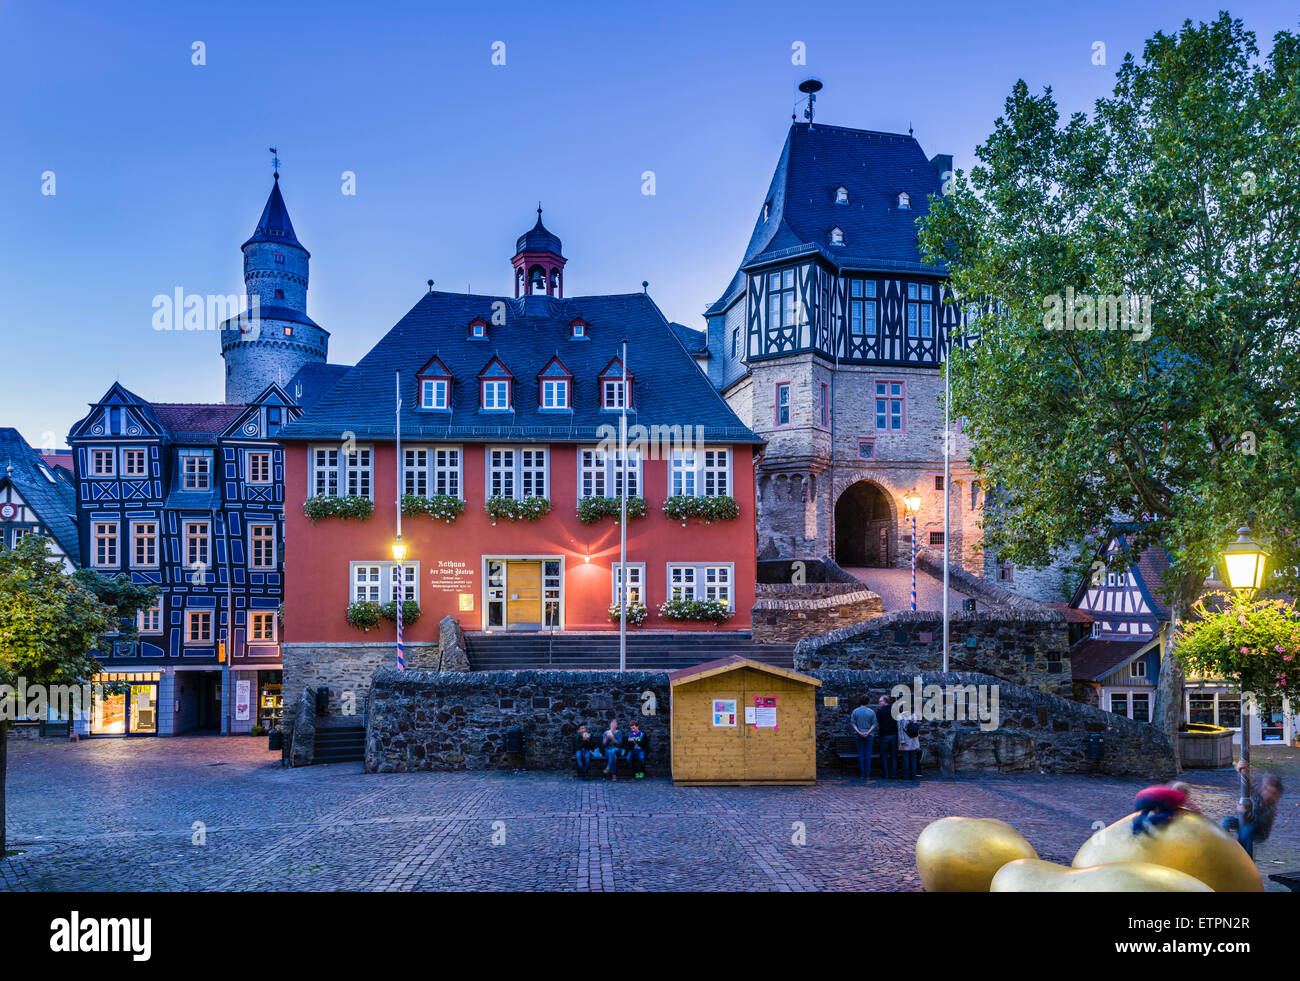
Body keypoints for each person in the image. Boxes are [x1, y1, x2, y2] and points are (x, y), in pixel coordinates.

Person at [1219, 761, 1283, 858]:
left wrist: (1244, 812)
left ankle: (1243, 857)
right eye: (1265, 789)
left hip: (1259, 832)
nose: (1266, 793)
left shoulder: (1272, 809)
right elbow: (1248, 784)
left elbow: (1258, 820)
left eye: (1271, 793)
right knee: (1226, 820)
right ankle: (1223, 844)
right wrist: (1241, 770)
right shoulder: (1260, 793)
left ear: (1276, 796)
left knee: (1248, 830)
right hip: (1246, 821)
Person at [849, 695, 877, 779]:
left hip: (859, 735)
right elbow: (874, 724)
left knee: (860, 754)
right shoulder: (871, 712)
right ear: (868, 702)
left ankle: (861, 774)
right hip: (869, 735)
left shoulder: (855, 711)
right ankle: (867, 774)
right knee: (868, 755)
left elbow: (853, 723)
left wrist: (859, 732)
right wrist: (868, 732)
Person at [875, 694, 899, 779]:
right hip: (893, 734)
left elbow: (878, 722)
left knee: (884, 756)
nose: (879, 702)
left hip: (884, 735)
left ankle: (886, 774)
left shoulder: (880, 711)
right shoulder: (894, 710)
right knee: (893, 755)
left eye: (880, 701)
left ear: (885, 702)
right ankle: (893, 774)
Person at [897, 703, 921, 780]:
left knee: (905, 758)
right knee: (913, 757)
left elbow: (900, 730)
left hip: (905, 739)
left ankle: (906, 775)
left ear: (901, 708)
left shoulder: (900, 717)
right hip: (914, 739)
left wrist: (902, 741)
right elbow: (916, 728)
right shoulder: (913, 715)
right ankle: (913, 775)